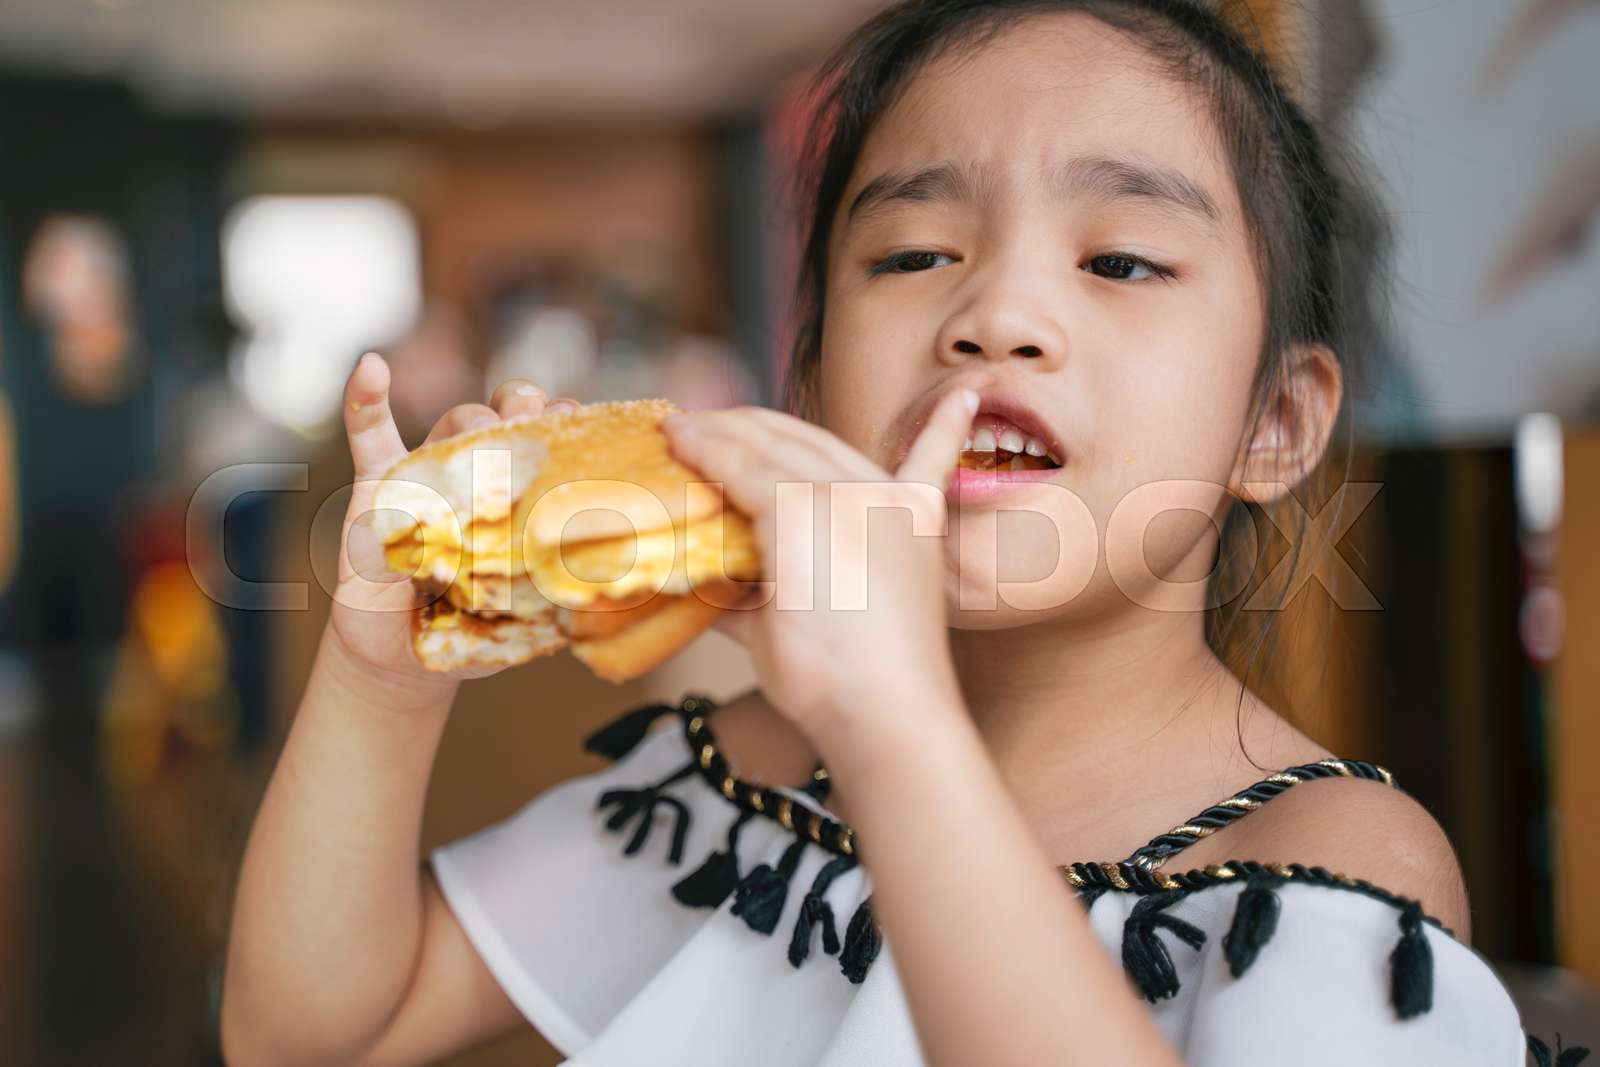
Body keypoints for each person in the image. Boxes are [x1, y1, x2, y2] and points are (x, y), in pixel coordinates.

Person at [220, 2, 1565, 1064]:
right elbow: (316, 1029)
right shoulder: (744, 786)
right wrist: (382, 676)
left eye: (1120, 260)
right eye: (914, 253)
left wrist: (891, 723)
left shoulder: (1326, 862)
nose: (995, 313)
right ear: (810, 390)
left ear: (1275, 421)